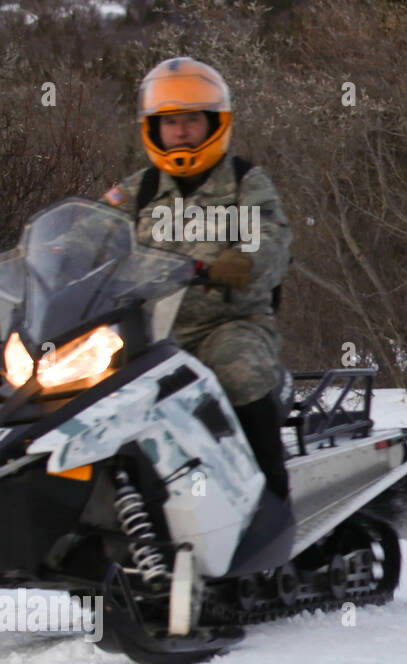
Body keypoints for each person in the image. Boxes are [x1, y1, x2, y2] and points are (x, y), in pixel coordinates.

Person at [100, 57, 293, 498]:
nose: (181, 132)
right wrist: (54, 256)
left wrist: (245, 261)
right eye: (170, 123)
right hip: (144, 334)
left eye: (191, 120)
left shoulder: (247, 182)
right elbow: (89, 233)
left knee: (238, 371)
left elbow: (272, 236)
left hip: (227, 324)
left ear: (214, 124)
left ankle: (272, 502)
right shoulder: (140, 189)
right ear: (153, 128)